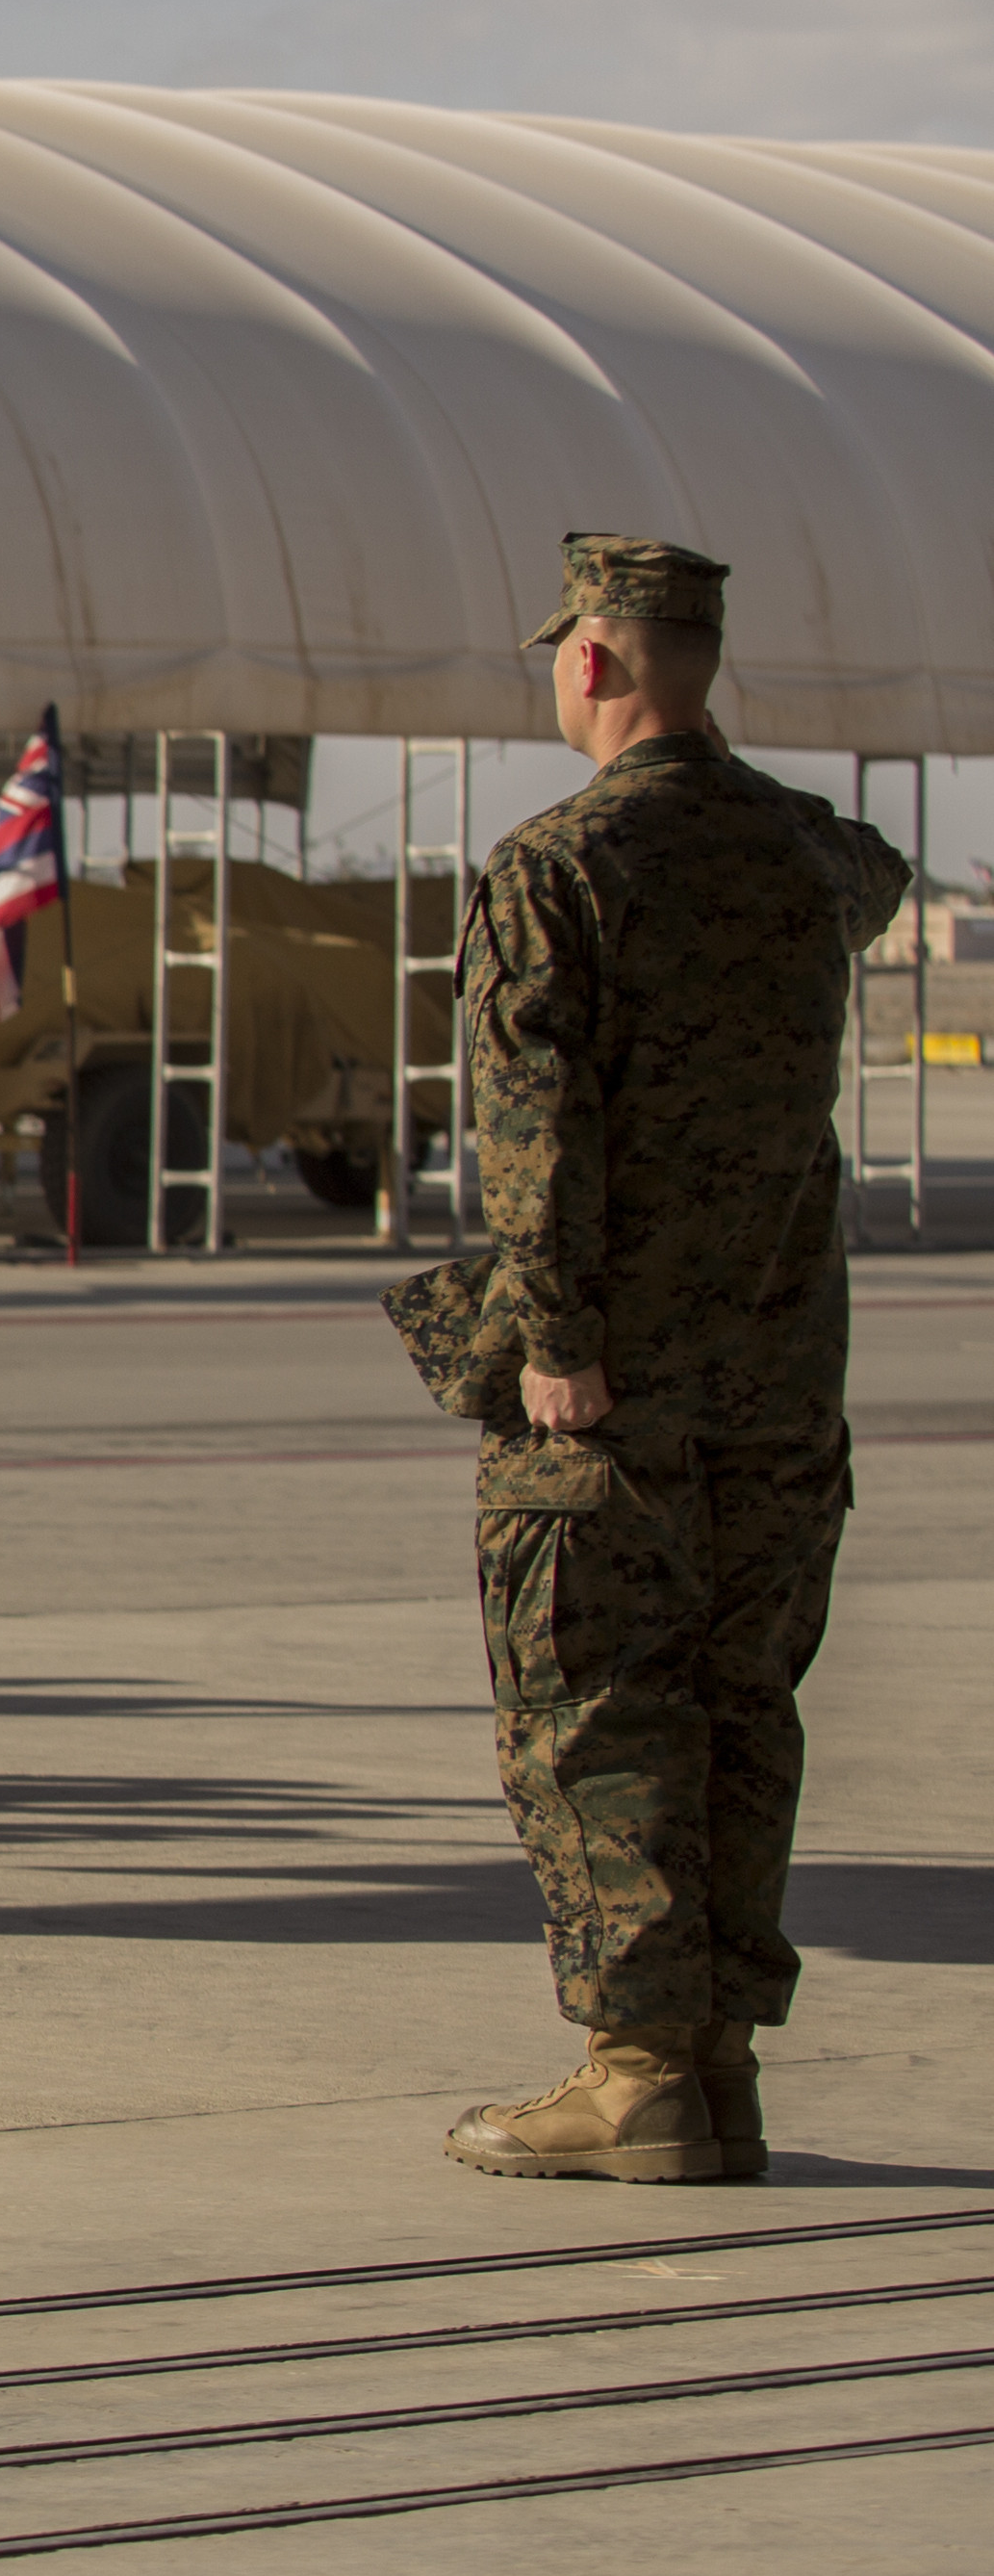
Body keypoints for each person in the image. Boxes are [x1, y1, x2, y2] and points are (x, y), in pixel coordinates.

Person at [436, 535, 906, 2187]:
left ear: (587, 663)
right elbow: (878, 867)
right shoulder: (803, 858)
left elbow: (529, 1129)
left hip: (613, 1387)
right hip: (777, 1383)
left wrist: (553, 1338)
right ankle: (715, 2067)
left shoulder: (556, 866)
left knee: (594, 1703)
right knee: (736, 1702)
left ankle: (632, 2070)